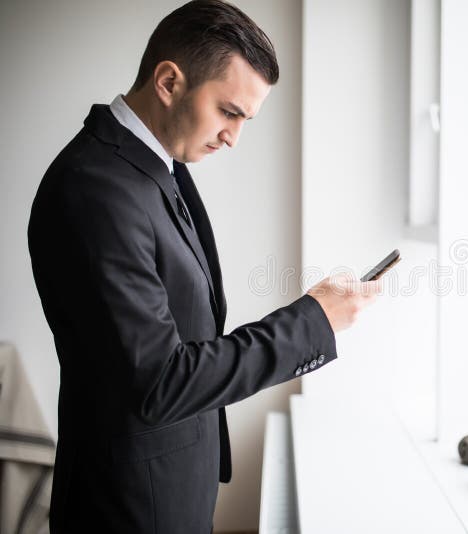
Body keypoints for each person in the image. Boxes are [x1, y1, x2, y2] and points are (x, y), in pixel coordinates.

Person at [27, 1, 380, 532]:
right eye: (229, 112)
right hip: (130, 507)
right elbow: (159, 381)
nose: (234, 137)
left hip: (169, 484)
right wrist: (312, 321)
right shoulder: (94, 189)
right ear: (169, 81)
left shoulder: (151, 166)